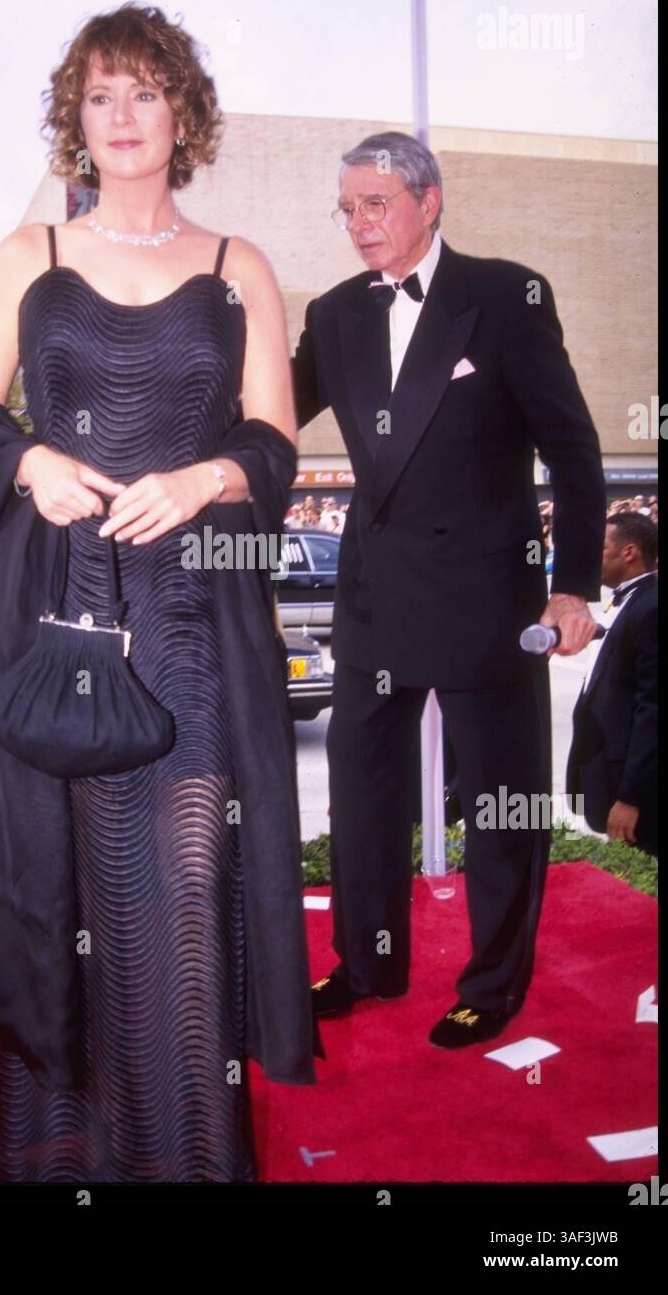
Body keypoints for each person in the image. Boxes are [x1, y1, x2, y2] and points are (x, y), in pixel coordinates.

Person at [0, 0, 316, 1184]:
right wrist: (25, 460)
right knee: (69, 913)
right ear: (75, 117)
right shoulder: (28, 255)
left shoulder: (235, 264)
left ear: (181, 112)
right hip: (63, 622)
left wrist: (207, 474)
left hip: (193, 631)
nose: (120, 116)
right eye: (99, 94)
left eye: (144, 91)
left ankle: (187, 1163)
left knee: (184, 903)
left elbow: (273, 442)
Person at [293, 131, 606, 1049]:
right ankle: (367, 963)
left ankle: (494, 984)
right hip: (375, 598)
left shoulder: (507, 295)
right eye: (347, 209)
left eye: (376, 203)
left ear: (431, 202)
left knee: (502, 803)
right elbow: (270, 414)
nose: (359, 225)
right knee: (361, 791)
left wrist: (573, 587)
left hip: (489, 602)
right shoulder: (338, 310)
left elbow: (576, 453)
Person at [567, 512, 658, 856]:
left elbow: (652, 710)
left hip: (634, 790)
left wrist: (630, 797)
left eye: (602, 547)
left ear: (629, 553)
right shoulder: (626, 600)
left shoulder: (651, 608)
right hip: (606, 771)